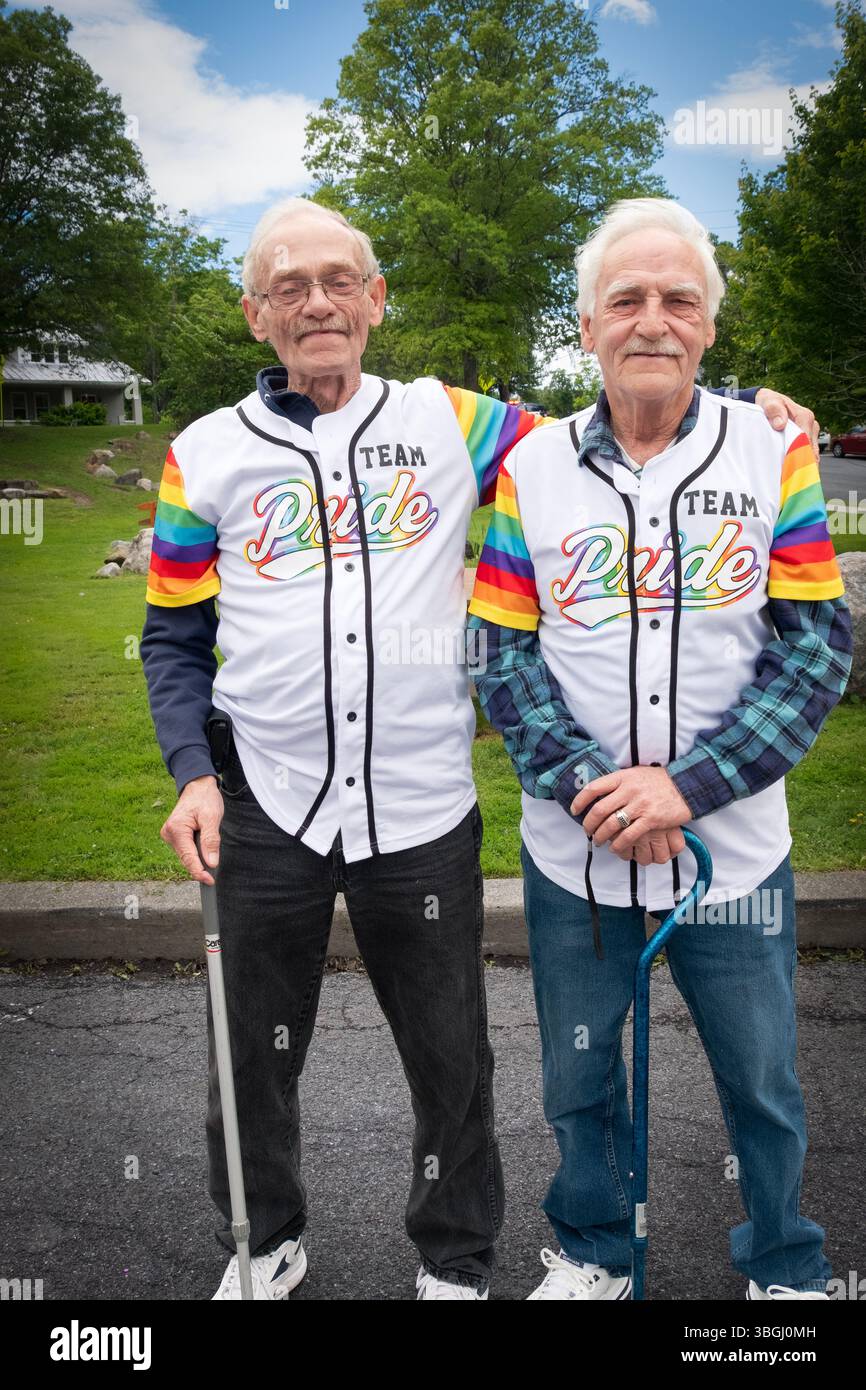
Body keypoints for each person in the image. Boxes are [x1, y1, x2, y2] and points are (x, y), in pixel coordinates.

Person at [140, 195, 817, 1301]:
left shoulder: (452, 420)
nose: (318, 302)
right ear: (254, 312)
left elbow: (621, 403)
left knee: (452, 1064)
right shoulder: (201, 452)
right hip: (263, 799)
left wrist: (745, 404)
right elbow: (171, 633)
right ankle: (263, 1243)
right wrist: (189, 770)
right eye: (289, 286)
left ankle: (454, 1261)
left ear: (376, 299)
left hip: (418, 806)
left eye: (339, 280)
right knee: (250, 1059)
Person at [468, 196, 852, 1302]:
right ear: (584, 325)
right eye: (623, 299)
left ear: (708, 328)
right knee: (577, 1080)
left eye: (676, 299)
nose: (650, 320)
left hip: (728, 852)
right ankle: (593, 1253)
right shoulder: (527, 469)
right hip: (575, 855)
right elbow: (500, 656)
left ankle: (785, 1265)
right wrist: (595, 789)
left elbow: (814, 646)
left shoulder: (772, 447)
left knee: (761, 1082)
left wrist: (682, 788)